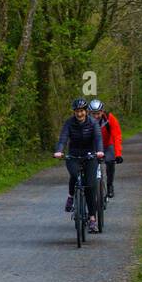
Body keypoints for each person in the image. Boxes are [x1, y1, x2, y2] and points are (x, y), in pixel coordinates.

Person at [54, 98, 104, 232]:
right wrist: (59, 151)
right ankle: (71, 196)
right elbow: (63, 138)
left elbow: (98, 137)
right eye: (77, 111)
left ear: (86, 111)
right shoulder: (69, 123)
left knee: (90, 185)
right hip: (74, 155)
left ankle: (92, 219)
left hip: (90, 155)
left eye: (81, 111)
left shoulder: (93, 123)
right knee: (75, 175)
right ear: (74, 112)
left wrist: (99, 151)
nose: (79, 114)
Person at [89, 100, 123, 199]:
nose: (96, 116)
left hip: (107, 145)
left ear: (102, 111)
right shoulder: (85, 120)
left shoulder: (110, 119)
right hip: (93, 146)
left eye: (98, 113)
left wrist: (118, 154)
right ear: (89, 112)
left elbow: (116, 136)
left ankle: (109, 185)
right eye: (93, 114)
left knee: (110, 162)